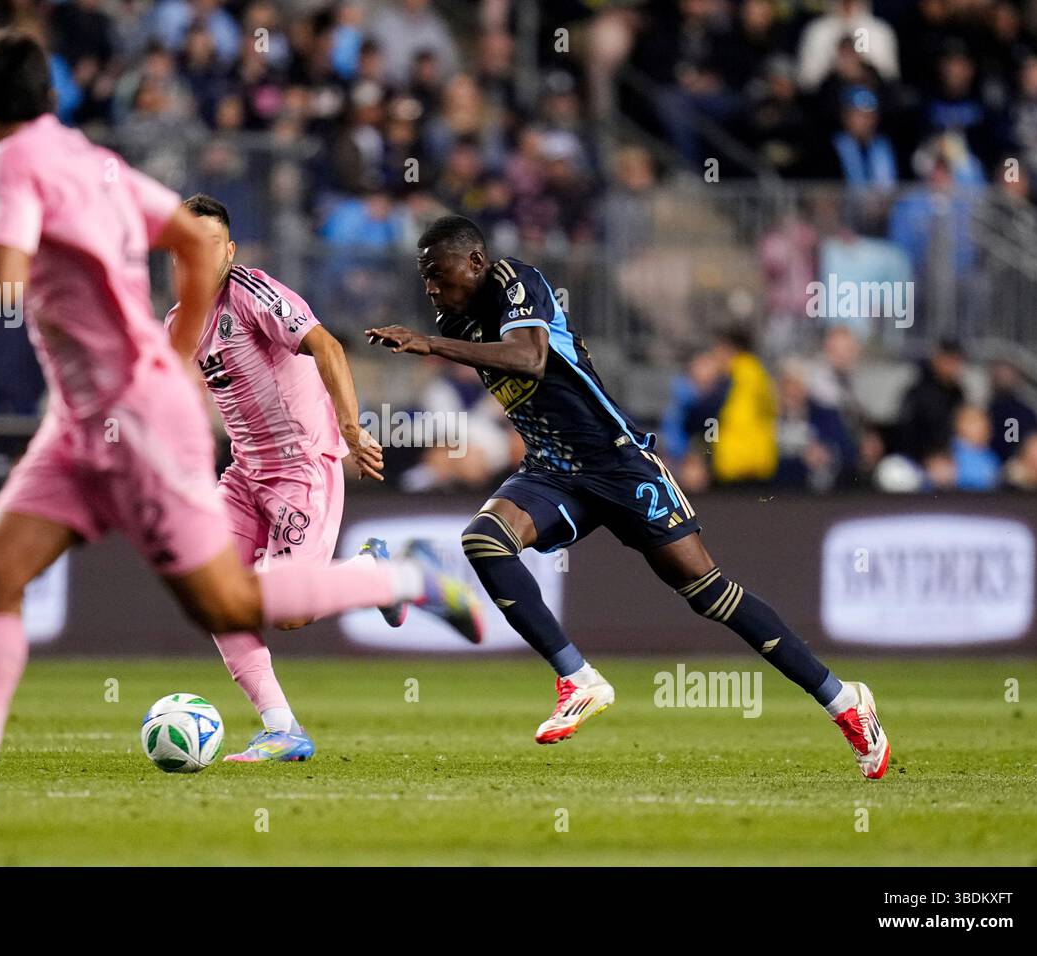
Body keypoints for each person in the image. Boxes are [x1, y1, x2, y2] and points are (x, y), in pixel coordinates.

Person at [0, 32, 483, 823]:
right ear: (50, 97)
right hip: (92, 424)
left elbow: (3, 279)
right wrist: (175, 346)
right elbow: (185, 237)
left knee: (239, 604)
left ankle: (407, 578)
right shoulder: (95, 162)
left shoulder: (8, 162)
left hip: (144, 420)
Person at [366, 215, 890, 779]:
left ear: (474, 261)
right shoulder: (455, 317)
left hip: (617, 462)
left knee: (709, 594)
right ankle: (577, 678)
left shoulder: (517, 282)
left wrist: (428, 345)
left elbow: (530, 359)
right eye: (424, 280)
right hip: (554, 469)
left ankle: (844, 701)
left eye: (438, 275)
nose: (431, 290)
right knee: (485, 541)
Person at [165, 193, 389, 763]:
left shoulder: (252, 292)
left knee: (289, 612)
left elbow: (327, 346)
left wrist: (352, 426)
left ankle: (372, 573)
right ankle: (282, 729)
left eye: (213, 244)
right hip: (244, 473)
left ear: (230, 251)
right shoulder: (178, 323)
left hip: (300, 466)